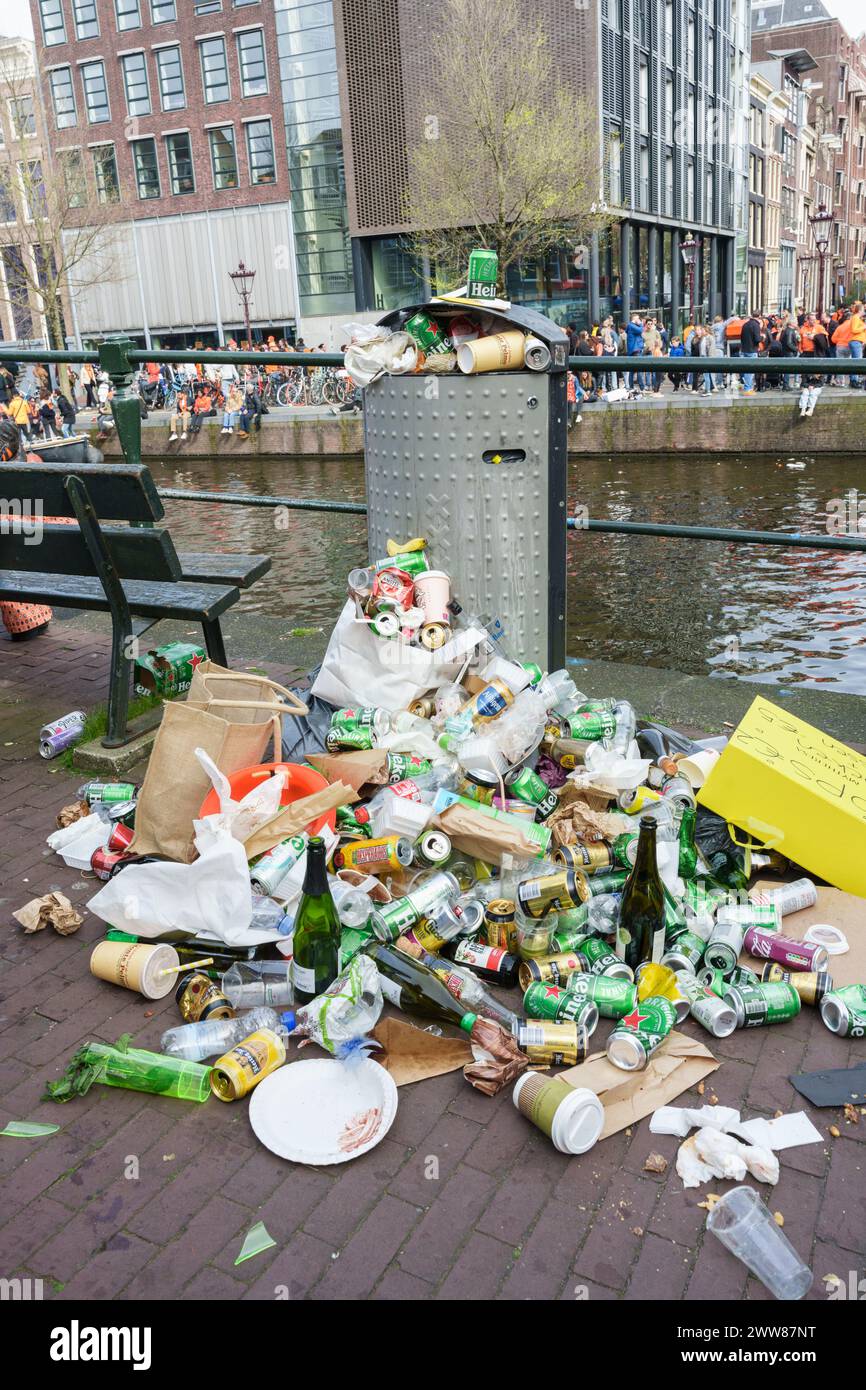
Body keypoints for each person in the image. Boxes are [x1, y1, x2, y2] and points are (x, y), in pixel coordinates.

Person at [739, 311, 763, 394]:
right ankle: (748, 389)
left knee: (745, 370)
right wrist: (762, 337)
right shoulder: (756, 325)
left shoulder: (745, 324)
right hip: (752, 350)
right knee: (750, 371)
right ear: (759, 316)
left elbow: (741, 337)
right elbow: (757, 339)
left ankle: (745, 386)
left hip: (744, 349)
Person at [626, 312, 646, 390]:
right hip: (636, 350)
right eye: (637, 318)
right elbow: (641, 330)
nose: (639, 320)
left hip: (633, 350)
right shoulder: (632, 326)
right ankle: (642, 387)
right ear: (634, 319)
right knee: (639, 370)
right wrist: (640, 324)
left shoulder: (630, 326)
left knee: (632, 370)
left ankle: (631, 387)